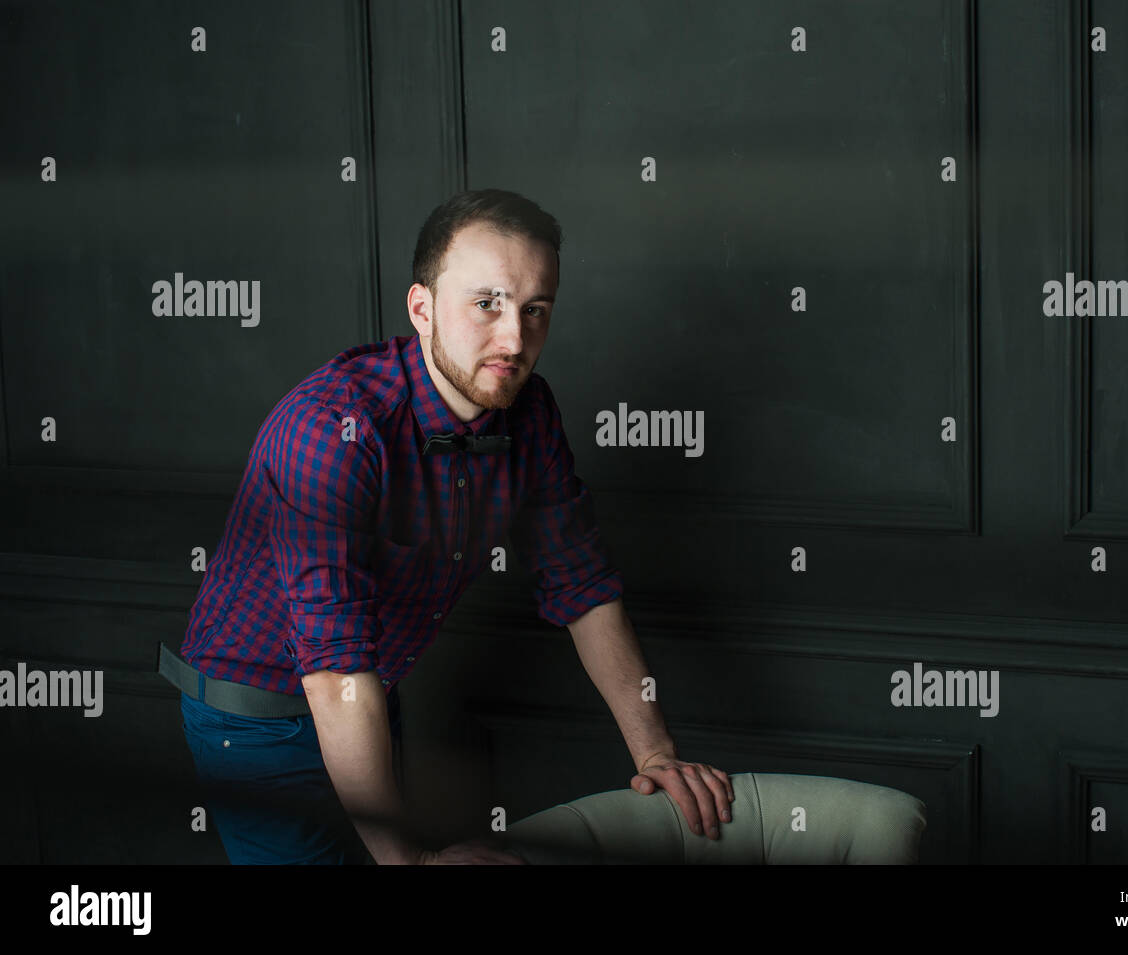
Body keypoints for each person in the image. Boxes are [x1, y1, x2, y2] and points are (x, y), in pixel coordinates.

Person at [161, 188, 733, 864]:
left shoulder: (529, 411)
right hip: (253, 720)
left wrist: (656, 752)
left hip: (370, 699)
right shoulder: (332, 427)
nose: (515, 339)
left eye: (535, 310)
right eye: (487, 303)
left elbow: (583, 586)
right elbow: (334, 672)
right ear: (422, 308)